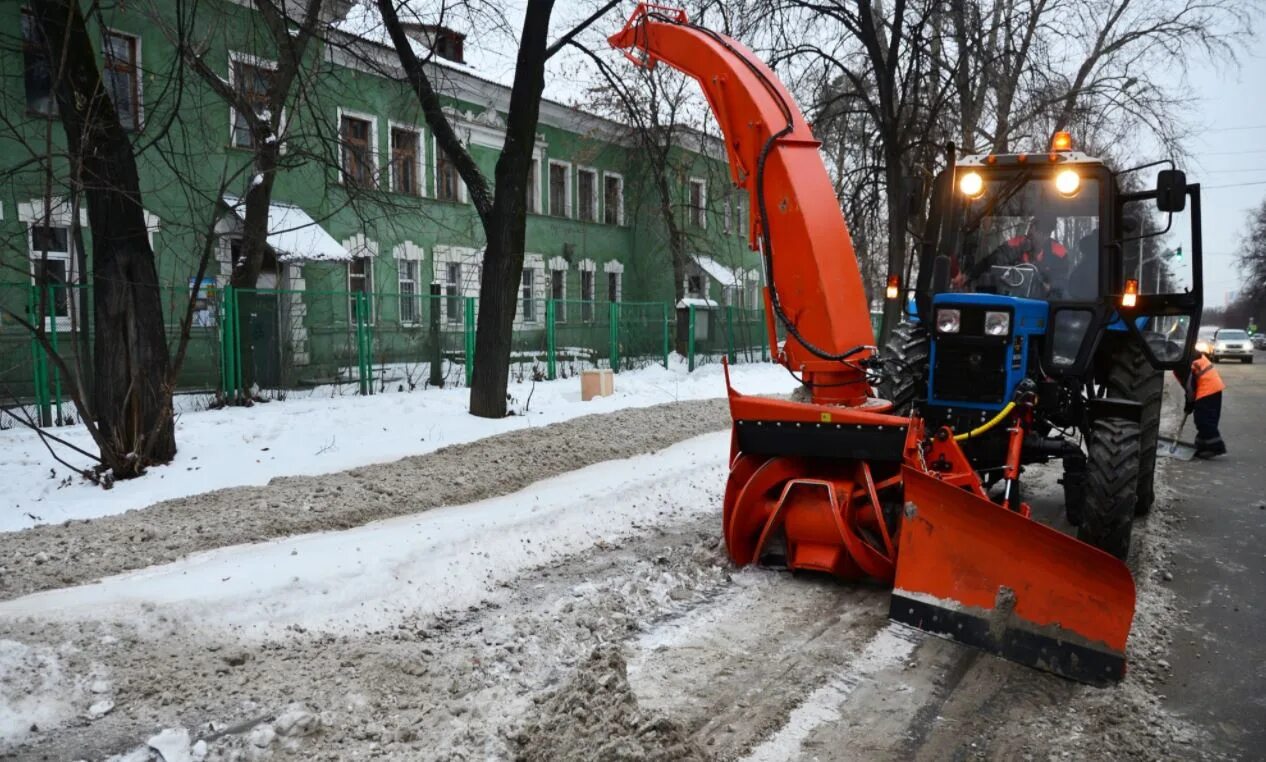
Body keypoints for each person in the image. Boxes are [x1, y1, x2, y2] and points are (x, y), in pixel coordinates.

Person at [953, 214, 1071, 295]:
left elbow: (1062, 281)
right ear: (1031, 229)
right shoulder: (1015, 244)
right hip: (1009, 298)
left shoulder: (1059, 253)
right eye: (1034, 229)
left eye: (1044, 232)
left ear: (1048, 234)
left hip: (1043, 303)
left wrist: (1049, 286)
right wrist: (968, 276)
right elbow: (992, 261)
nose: (1037, 235)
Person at [1174, 351, 1227, 458]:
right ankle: (1201, 446)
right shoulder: (1189, 355)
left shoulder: (1182, 365)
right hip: (1214, 388)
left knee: (1203, 420)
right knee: (1206, 419)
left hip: (1207, 390)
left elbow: (1190, 388)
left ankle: (1216, 447)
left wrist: (1189, 403)